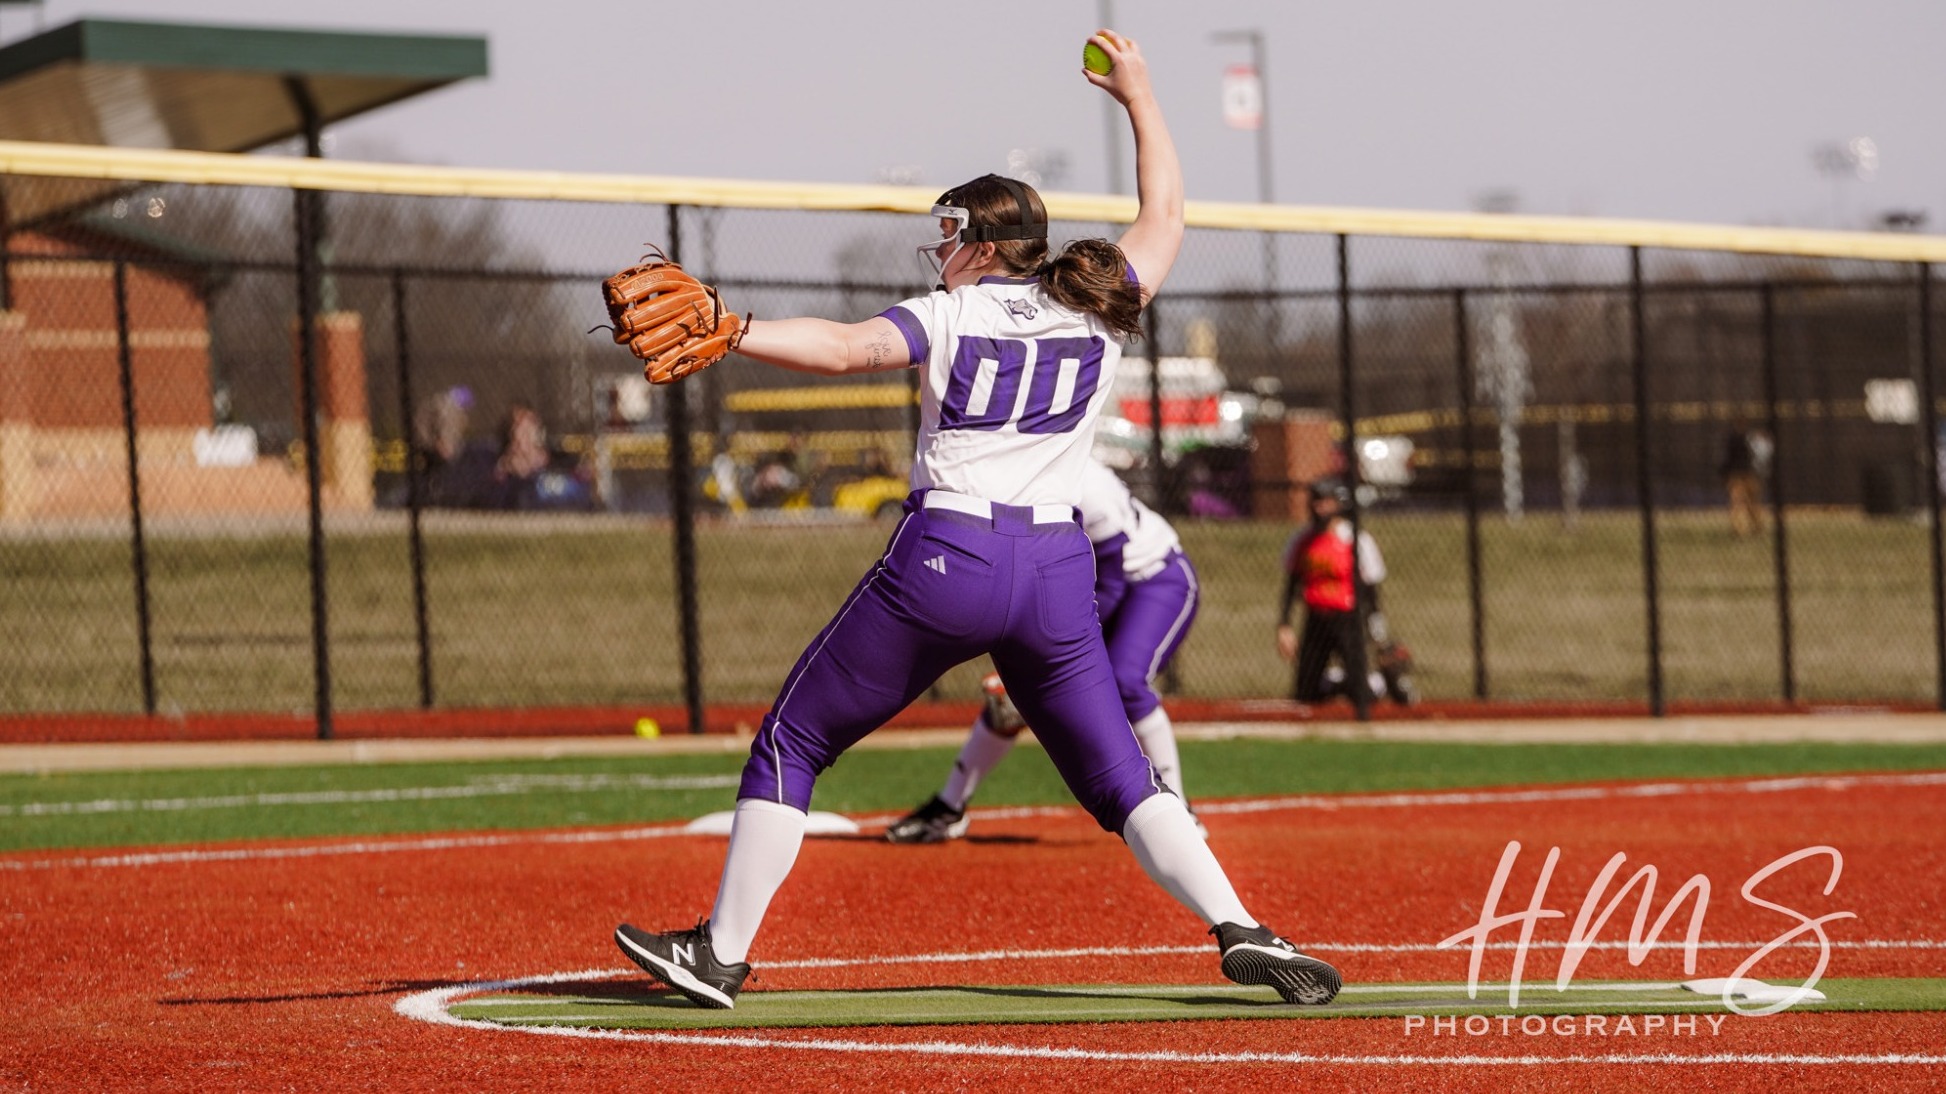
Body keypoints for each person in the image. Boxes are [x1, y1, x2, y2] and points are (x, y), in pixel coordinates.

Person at [612, 30, 1340, 1011]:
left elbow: (837, 347)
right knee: (1121, 779)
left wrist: (734, 327)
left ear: (984, 245)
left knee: (793, 738)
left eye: (950, 234)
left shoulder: (950, 315)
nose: (939, 249)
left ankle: (719, 953)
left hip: (946, 553)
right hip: (1051, 569)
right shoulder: (1097, 305)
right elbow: (1164, 208)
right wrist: (1139, 94)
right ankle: (1240, 924)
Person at [886, 457, 1202, 843]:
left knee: (1124, 679)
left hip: (1154, 580)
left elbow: (1112, 587)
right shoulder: (1008, 481)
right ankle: (949, 806)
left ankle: (1180, 810)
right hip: (1078, 591)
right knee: (1016, 695)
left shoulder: (1090, 486)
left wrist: (1060, 659)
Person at [1276, 477, 1411, 706]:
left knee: (1362, 697)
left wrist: (1376, 630)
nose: (1319, 508)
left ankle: (1378, 683)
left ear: (1338, 504)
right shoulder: (1302, 541)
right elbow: (1291, 585)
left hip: (1348, 618)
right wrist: (1284, 626)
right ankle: (1335, 681)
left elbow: (1371, 591)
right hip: (1316, 619)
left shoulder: (1355, 539)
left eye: (1325, 502)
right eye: (1315, 502)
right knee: (1305, 694)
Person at [1719, 418, 1771, 537]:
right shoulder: (1751, 439)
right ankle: (1757, 527)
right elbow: (1758, 457)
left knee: (1736, 503)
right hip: (1749, 473)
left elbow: (1727, 458)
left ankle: (1738, 529)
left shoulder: (1731, 440)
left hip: (1736, 474)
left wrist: (1724, 473)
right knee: (1753, 502)